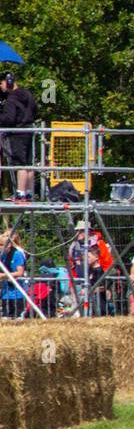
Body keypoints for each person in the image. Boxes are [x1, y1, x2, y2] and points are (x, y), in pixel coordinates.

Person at [0, 72, 37, 201]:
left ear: (8, 82)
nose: (1, 87)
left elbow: (9, 119)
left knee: (20, 163)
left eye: (1, 83)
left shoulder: (12, 99)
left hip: (18, 132)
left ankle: (20, 193)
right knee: (29, 163)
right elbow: (34, 110)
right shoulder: (27, 94)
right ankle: (29, 192)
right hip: (29, 130)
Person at [0, 228, 28, 317]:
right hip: (5, 293)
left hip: (17, 294)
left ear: (8, 245)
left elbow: (20, 272)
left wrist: (2, 275)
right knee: (5, 317)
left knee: (16, 317)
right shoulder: (3, 255)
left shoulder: (17, 254)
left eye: (1, 245)